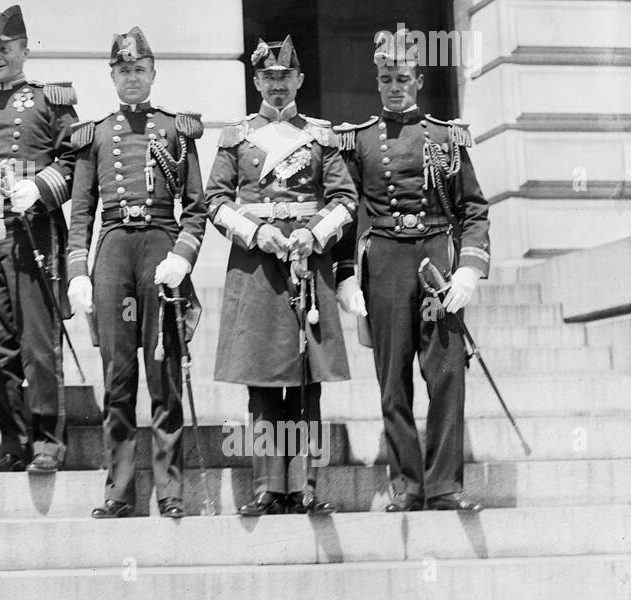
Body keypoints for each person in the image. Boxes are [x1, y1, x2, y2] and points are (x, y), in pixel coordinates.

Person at [333, 32, 491, 512]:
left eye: (403, 78)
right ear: (377, 82)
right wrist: (345, 277)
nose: (394, 87)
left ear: (419, 80)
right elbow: (344, 211)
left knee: (445, 373)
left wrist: (467, 270)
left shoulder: (445, 136)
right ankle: (407, 485)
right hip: (383, 258)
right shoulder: (357, 139)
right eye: (386, 79)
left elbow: (474, 209)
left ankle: (444, 485)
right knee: (392, 378)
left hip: (436, 260)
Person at [205, 37, 358, 517]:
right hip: (258, 266)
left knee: (307, 379)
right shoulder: (235, 137)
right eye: (268, 79)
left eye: (284, 78)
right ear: (256, 82)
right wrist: (255, 232)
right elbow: (214, 201)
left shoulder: (320, 138)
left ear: (299, 81)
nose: (276, 86)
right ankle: (270, 486)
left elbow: (346, 200)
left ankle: (306, 484)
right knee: (265, 381)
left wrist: (314, 235)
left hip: (307, 263)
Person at [66, 27, 207, 519]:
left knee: (164, 374)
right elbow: (81, 212)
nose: (132, 78)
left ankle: (170, 491)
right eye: (123, 70)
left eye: (139, 70)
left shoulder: (176, 130)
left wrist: (183, 257)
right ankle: (119, 491)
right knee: (118, 376)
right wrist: (78, 270)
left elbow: (196, 208)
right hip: (113, 256)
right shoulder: (95, 134)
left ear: (153, 73)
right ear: (112, 76)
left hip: (160, 253)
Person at [0, 4, 79, 473]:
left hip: (35, 230)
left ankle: (48, 440)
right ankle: (14, 439)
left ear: (25, 49)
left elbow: (73, 163)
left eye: (5, 47)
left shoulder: (51, 101)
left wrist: (40, 188)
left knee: (38, 342)